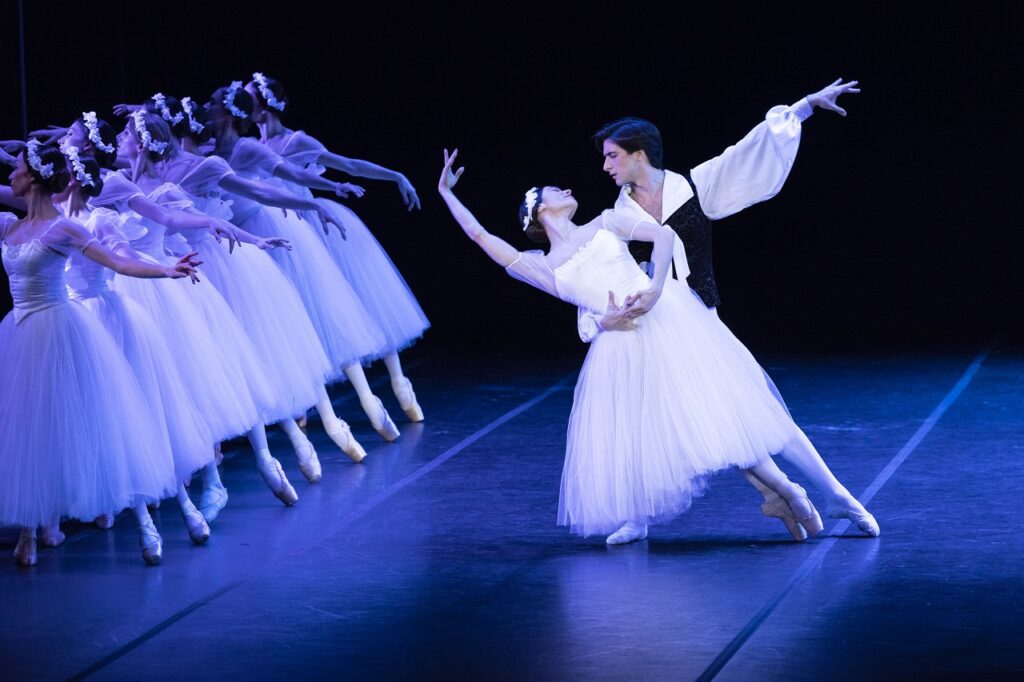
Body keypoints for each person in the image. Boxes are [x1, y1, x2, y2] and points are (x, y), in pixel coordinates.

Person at [437, 148, 826, 545]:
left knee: (710, 413)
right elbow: (480, 236)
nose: (567, 189)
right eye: (555, 189)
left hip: (663, 319)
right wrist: (447, 194)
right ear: (539, 209)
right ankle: (637, 519)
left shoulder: (606, 222)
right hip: (618, 345)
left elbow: (662, 236)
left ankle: (787, 490)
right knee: (633, 432)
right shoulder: (545, 269)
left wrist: (654, 287)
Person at [581, 79, 879, 538]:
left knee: (760, 419)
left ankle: (836, 495)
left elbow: (748, 152)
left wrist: (804, 107)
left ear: (639, 154)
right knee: (651, 424)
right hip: (653, 335)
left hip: (702, 325)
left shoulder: (694, 186)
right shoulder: (617, 218)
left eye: (612, 156)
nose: (605, 165)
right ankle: (639, 518)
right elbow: (595, 274)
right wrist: (595, 321)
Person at [0, 142, 198, 566]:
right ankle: (30, 530)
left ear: (32, 177)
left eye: (15, 168)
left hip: (59, 331)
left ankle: (144, 522)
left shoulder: (64, 229)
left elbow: (118, 262)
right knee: (28, 426)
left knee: (99, 423)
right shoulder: (8, 227)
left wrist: (166, 269)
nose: (10, 175)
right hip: (18, 332)